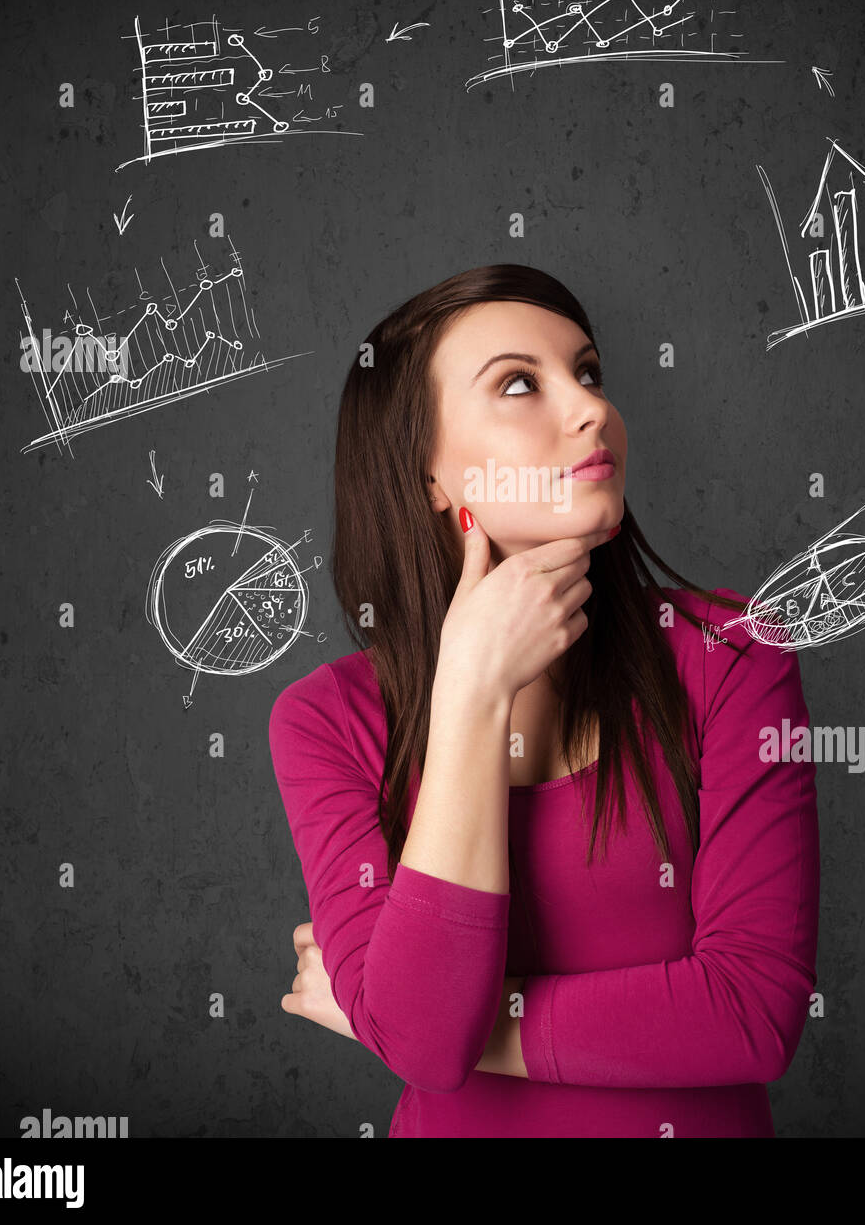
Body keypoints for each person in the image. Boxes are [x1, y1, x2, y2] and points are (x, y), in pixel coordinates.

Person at [269, 262, 819, 1137]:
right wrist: (473, 693)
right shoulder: (325, 720)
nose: (590, 407)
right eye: (521, 384)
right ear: (429, 480)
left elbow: (751, 1013)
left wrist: (413, 1017)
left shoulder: (733, 654)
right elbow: (420, 1038)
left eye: (588, 371)